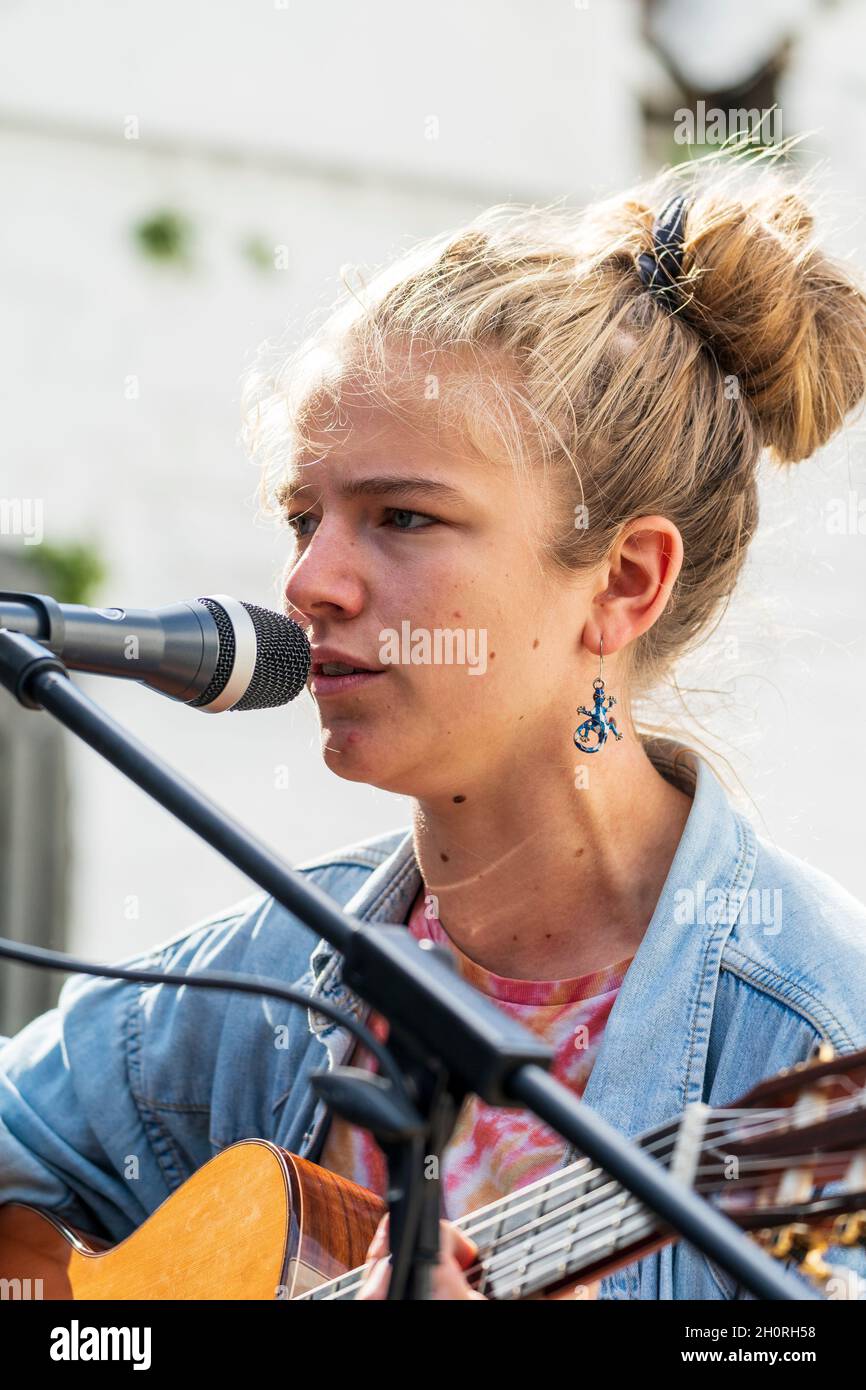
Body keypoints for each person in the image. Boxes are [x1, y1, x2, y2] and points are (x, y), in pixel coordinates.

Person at [3, 152, 866, 1300]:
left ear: (621, 580)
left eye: (401, 517)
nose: (309, 580)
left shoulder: (810, 1029)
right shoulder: (251, 983)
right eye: (304, 515)